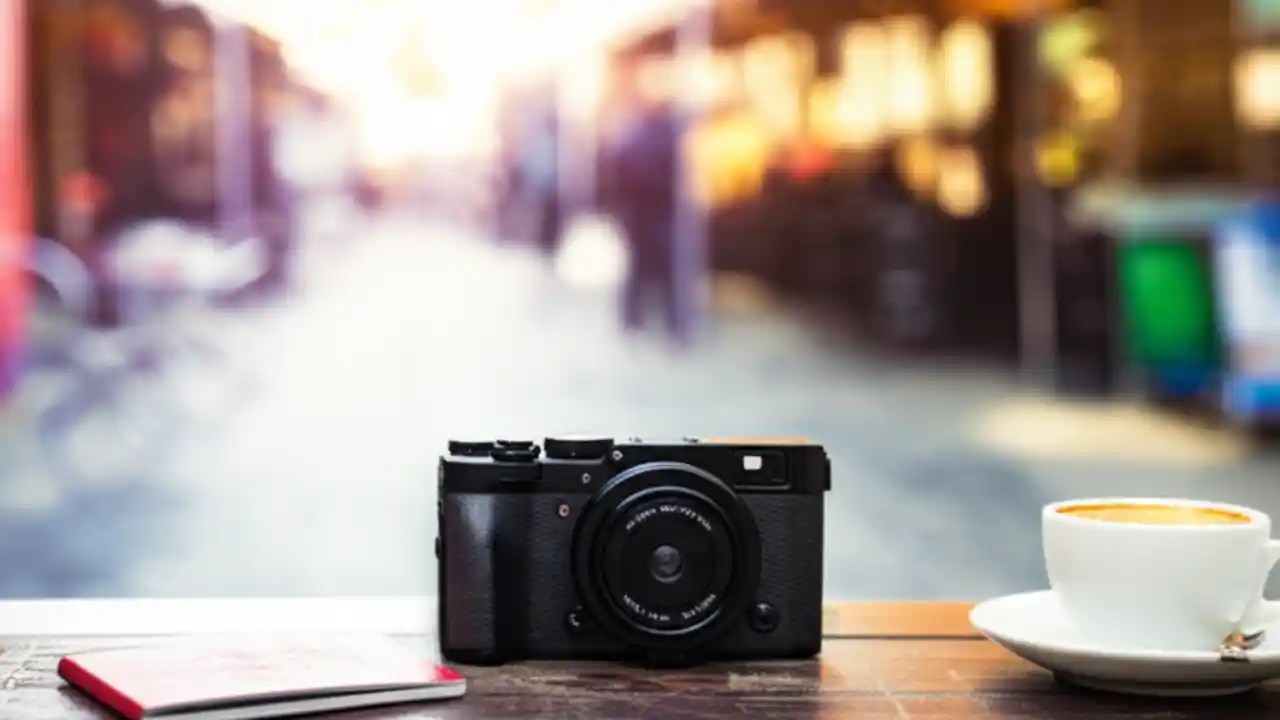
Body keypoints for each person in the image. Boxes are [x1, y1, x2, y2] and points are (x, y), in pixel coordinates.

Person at [600, 56, 682, 337]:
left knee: (639, 273)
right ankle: (670, 324)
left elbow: (616, 173)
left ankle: (634, 320)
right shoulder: (667, 134)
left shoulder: (633, 134)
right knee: (664, 273)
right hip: (657, 213)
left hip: (639, 214)